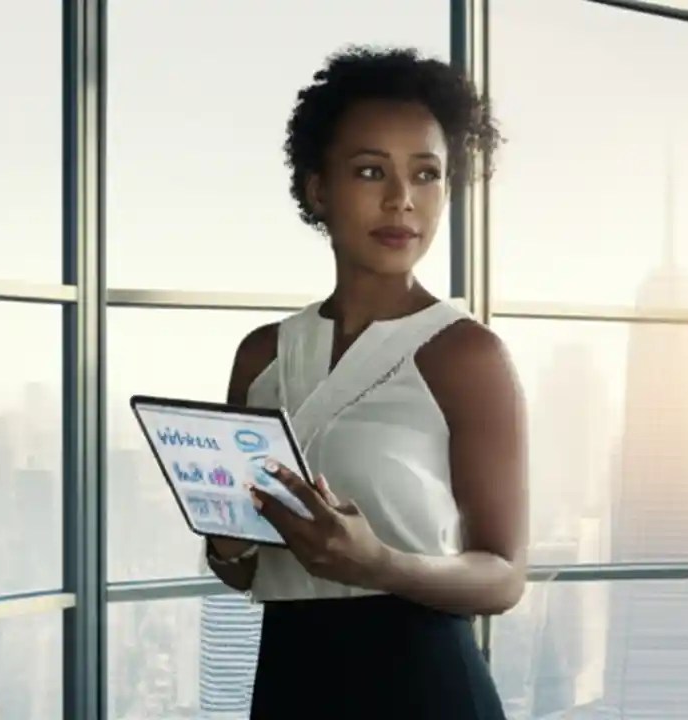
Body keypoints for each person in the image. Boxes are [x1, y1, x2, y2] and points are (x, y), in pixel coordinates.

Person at [204, 45, 527, 719]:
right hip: (292, 680)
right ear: (319, 188)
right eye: (370, 170)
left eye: (428, 174)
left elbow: (503, 575)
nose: (401, 200)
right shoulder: (260, 355)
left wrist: (379, 564)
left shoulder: (467, 355)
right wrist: (229, 545)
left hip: (426, 684)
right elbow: (240, 570)